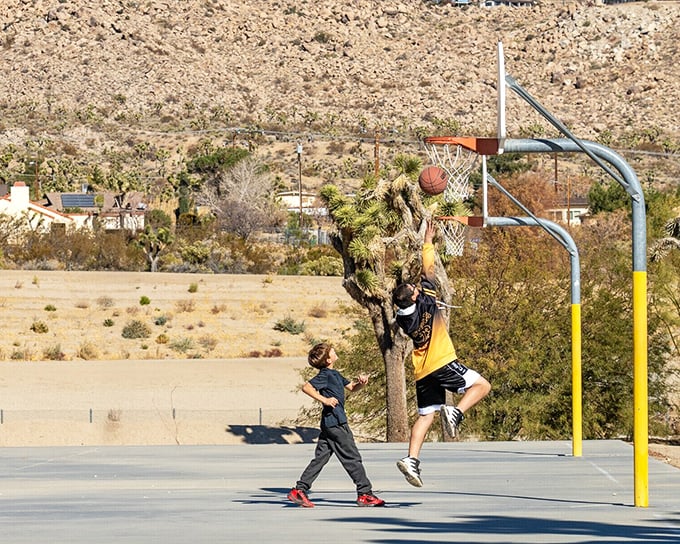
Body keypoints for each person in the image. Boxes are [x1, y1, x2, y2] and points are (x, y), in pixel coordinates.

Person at [392, 219, 491, 487]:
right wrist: (427, 242)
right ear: (413, 297)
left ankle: (411, 460)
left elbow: (420, 282)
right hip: (442, 362)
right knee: (482, 385)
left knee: (426, 415)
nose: (415, 286)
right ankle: (456, 412)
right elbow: (430, 270)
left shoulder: (403, 318)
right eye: (413, 288)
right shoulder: (425, 297)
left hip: (423, 370)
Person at [287, 342, 385, 508]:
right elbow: (307, 387)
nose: (334, 350)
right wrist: (324, 400)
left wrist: (362, 382)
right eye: (331, 350)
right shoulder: (325, 375)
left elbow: (352, 388)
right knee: (352, 458)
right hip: (336, 423)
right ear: (327, 360)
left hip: (329, 424)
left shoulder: (335, 374)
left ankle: (299, 490)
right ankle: (365, 494)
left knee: (320, 459)